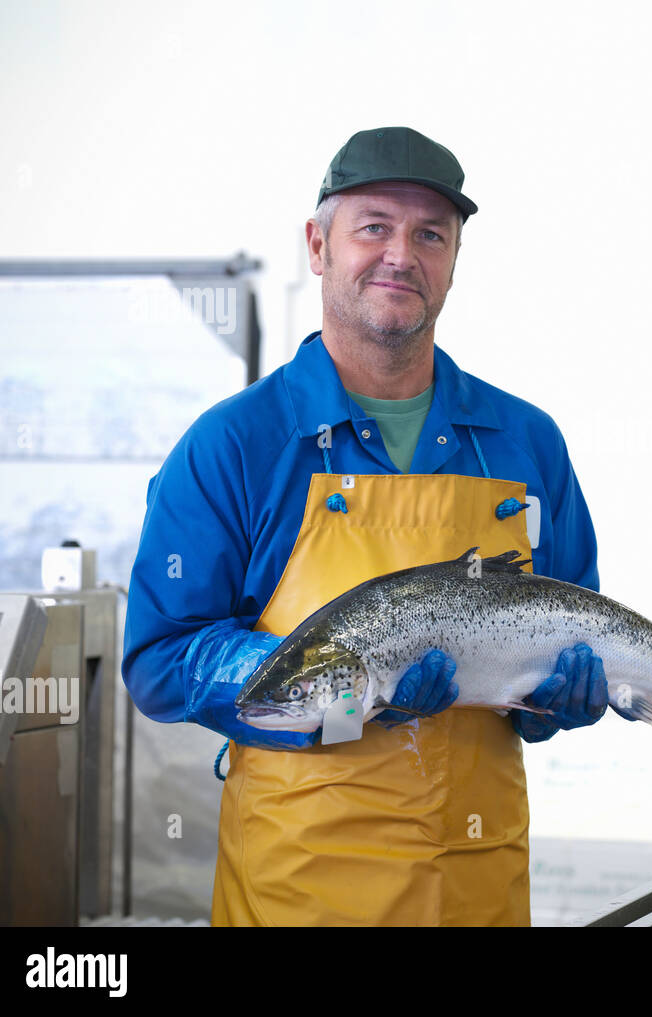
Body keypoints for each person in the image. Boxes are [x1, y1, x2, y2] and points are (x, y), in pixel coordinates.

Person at [123, 126, 620, 926]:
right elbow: (159, 656)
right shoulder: (234, 444)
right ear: (318, 245)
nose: (402, 253)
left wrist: (562, 699)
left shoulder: (528, 441)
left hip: (476, 888)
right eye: (374, 226)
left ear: (455, 260)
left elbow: (570, 632)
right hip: (302, 891)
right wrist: (342, 686)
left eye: (431, 234)